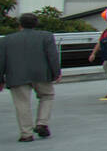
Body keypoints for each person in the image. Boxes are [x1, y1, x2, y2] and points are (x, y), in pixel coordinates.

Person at [0, 12, 61, 141]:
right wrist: (56, 73)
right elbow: (53, 56)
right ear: (36, 24)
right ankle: (42, 123)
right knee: (47, 96)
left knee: (22, 103)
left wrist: (1, 79)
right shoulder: (46, 36)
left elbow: (1, 61)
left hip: (16, 75)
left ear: (20, 25)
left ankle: (26, 134)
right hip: (41, 74)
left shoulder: (6, 40)